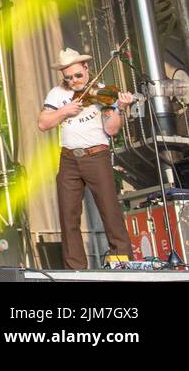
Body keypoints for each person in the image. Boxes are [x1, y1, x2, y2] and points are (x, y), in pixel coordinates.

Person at [37, 47, 136, 269]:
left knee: (109, 210)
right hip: (69, 159)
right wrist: (65, 111)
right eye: (68, 77)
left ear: (86, 68)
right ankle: (74, 268)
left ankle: (122, 262)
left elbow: (111, 130)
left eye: (78, 75)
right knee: (68, 215)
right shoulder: (57, 94)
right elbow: (43, 123)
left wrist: (118, 108)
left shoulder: (103, 93)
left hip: (96, 155)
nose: (74, 81)